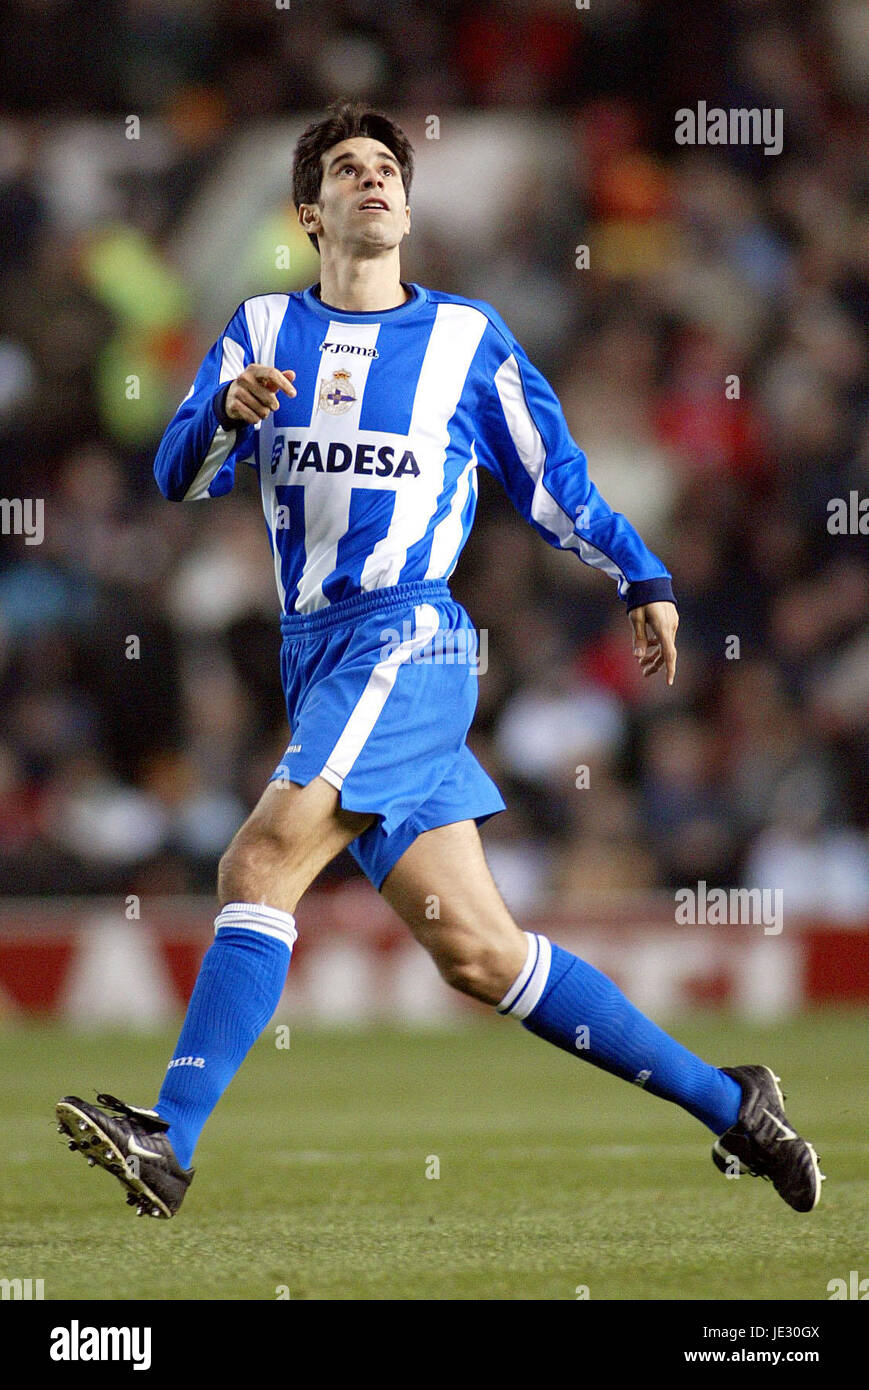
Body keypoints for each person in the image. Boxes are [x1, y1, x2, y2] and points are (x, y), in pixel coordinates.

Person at [56, 101, 822, 1219]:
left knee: (260, 860)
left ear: (406, 205)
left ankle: (168, 1135)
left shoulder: (466, 338)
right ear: (306, 212)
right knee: (480, 953)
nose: (371, 180)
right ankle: (733, 1103)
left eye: (385, 168)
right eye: (345, 169)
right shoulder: (262, 329)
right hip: (315, 656)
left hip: (409, 634)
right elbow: (175, 470)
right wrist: (223, 408)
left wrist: (642, 575)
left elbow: (550, 478)